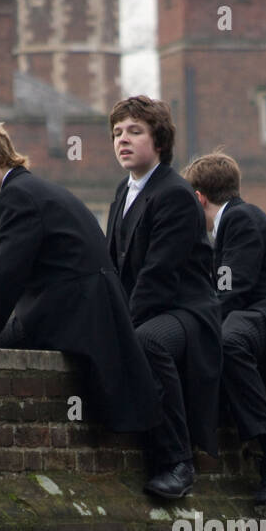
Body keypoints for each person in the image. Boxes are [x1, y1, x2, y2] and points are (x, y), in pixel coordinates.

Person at [0, 116, 162, 443]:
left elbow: (4, 276)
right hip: (91, 307)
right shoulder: (37, 189)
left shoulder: (17, 196)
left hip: (70, 312)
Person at [183, 151, 266, 505]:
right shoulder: (237, 219)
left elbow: (232, 289)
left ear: (199, 198)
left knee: (228, 342)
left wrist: (197, 327)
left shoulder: (239, 219)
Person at [106, 96, 222, 500]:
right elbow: (113, 267)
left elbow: (158, 274)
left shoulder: (173, 193)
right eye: (117, 133)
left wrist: (123, 327)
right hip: (150, 308)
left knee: (147, 343)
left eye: (134, 132)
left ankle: (179, 462)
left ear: (159, 141)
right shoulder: (124, 191)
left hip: (187, 313)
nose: (123, 140)